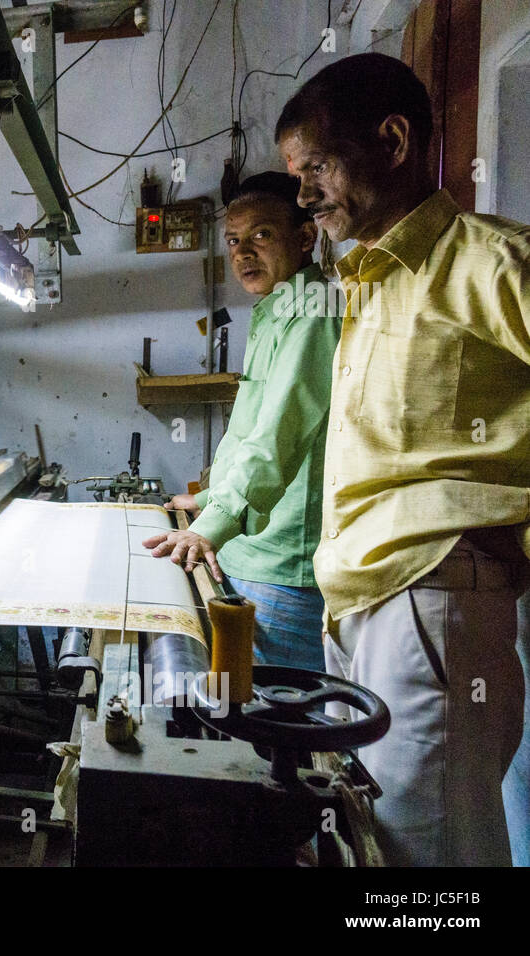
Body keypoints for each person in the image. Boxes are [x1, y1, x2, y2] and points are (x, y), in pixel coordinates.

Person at [277, 52, 529, 866]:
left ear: (393, 141)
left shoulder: (488, 264)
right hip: (360, 603)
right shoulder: (369, 283)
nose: (304, 194)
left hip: (434, 595)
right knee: (376, 845)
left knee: (434, 861)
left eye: (316, 166)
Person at [142, 172, 339, 671]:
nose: (242, 252)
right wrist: (208, 501)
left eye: (261, 235)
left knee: (279, 721)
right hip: (252, 553)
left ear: (306, 237)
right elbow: (249, 430)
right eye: (233, 240)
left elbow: (281, 434)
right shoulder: (278, 307)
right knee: (251, 711)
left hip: (282, 568)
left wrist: (213, 524)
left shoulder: (313, 312)